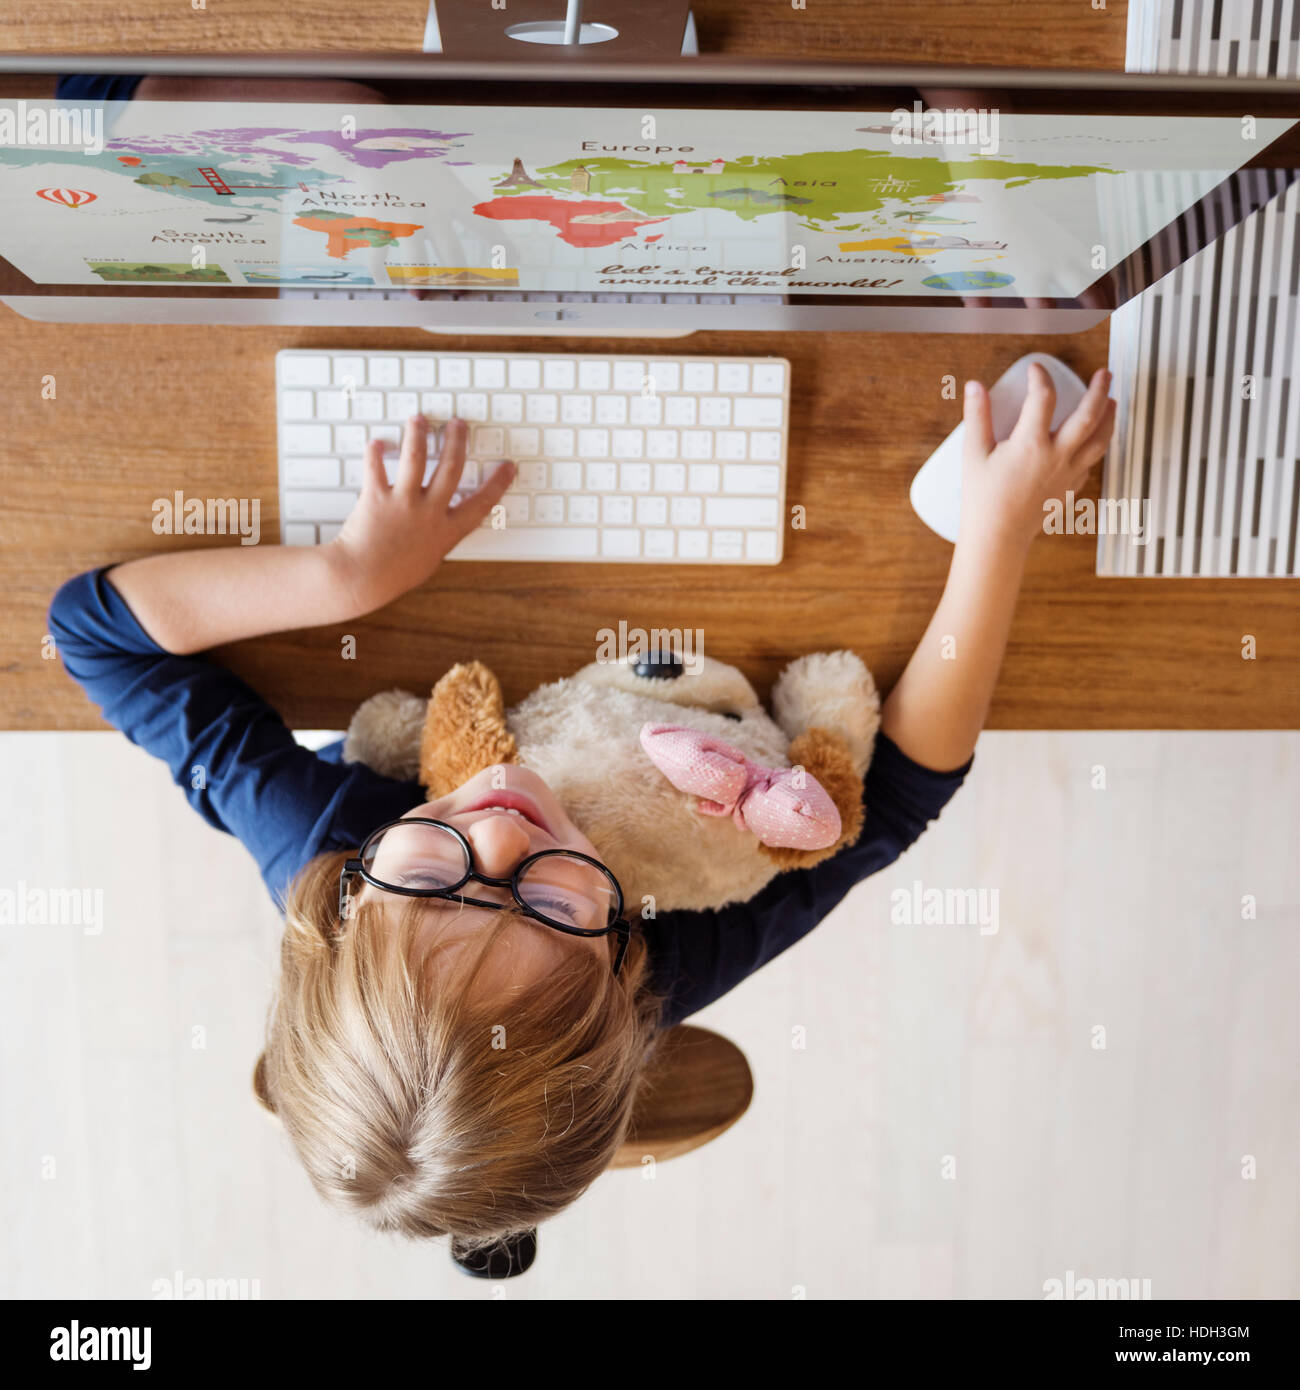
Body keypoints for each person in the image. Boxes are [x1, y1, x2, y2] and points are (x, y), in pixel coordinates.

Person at [48, 366, 1116, 1251]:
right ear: (621, 975)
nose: (507, 825)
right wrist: (999, 532)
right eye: (553, 906)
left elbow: (96, 638)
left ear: (346, 907)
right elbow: (894, 799)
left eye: (428, 876)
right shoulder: (657, 973)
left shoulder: (321, 840)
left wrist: (344, 575)